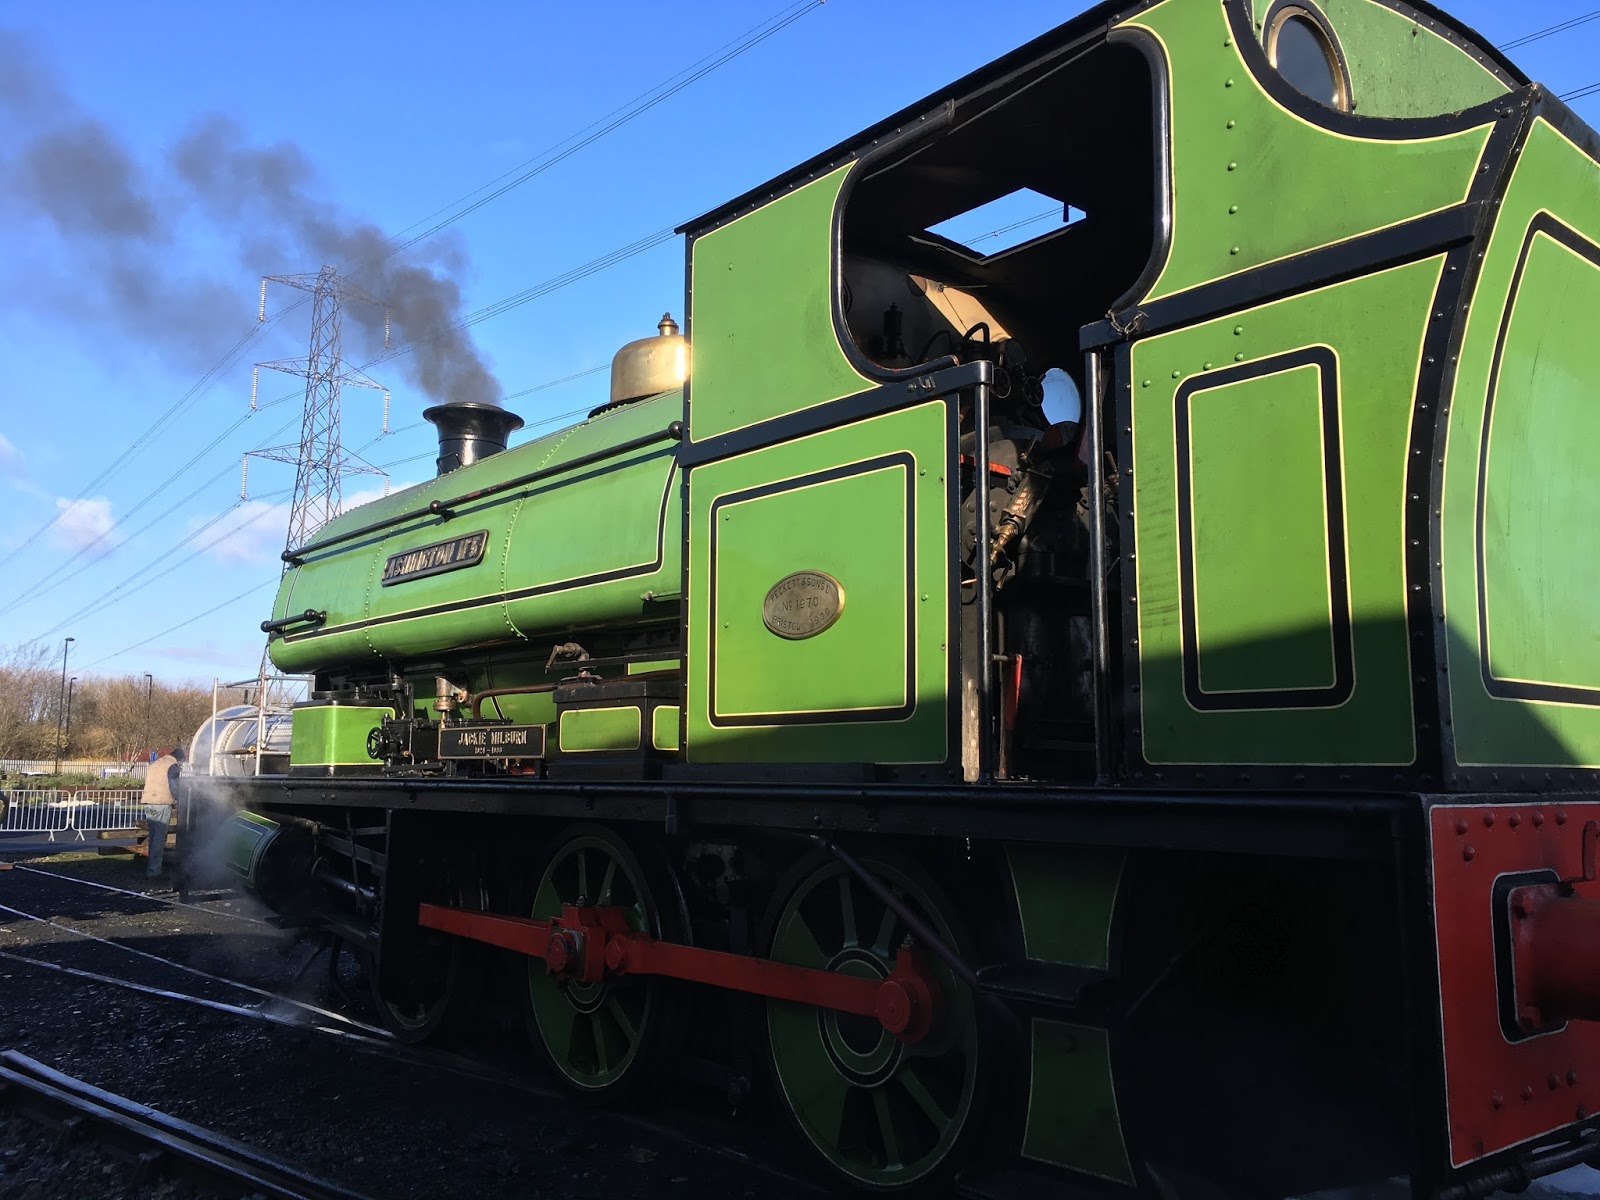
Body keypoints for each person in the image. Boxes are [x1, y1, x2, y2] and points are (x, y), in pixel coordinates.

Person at [141, 746, 184, 883]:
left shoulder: (156, 763)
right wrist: (178, 798)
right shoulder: (173, 765)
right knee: (159, 838)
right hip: (162, 802)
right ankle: (154, 871)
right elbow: (173, 784)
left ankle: (151, 867)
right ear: (180, 759)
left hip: (148, 801)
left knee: (153, 837)